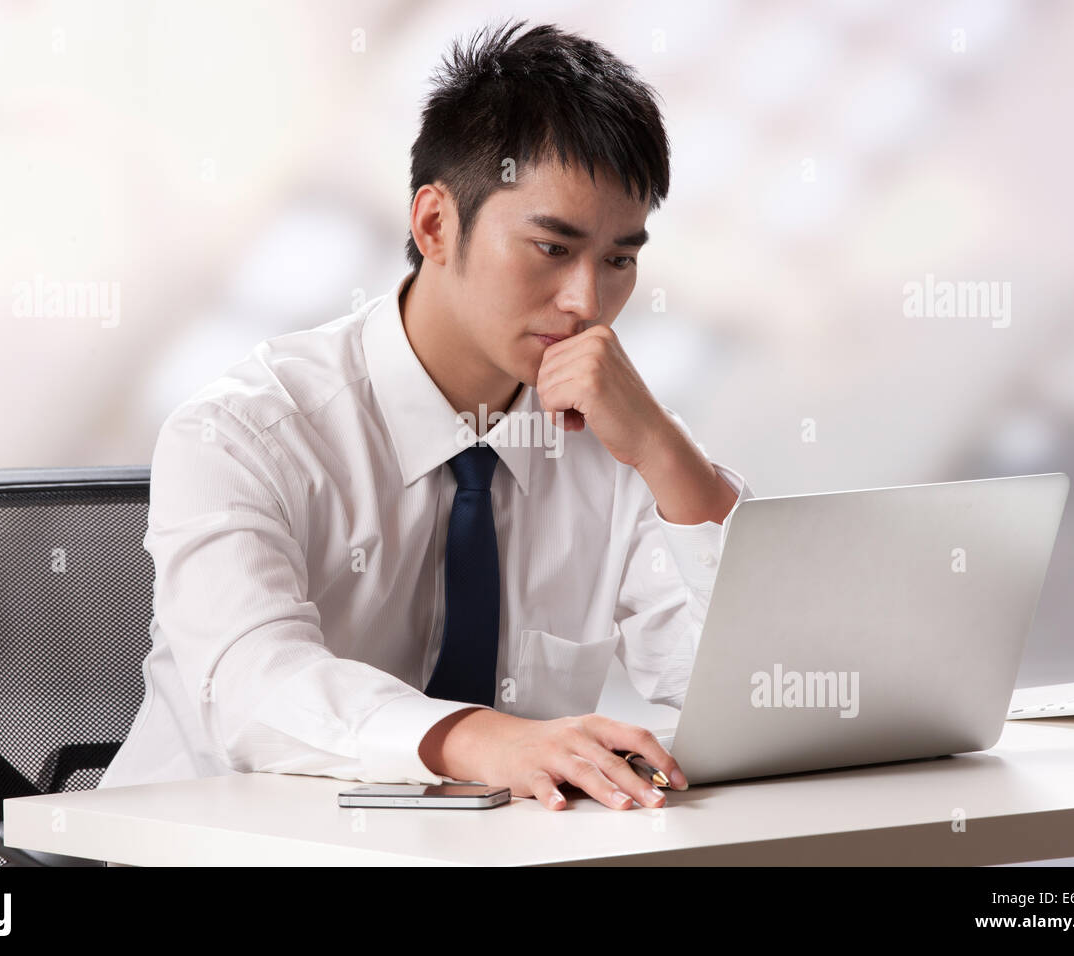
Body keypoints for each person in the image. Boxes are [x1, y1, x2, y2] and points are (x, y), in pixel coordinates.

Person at [99, 18, 751, 811]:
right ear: (435, 224)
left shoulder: (615, 441)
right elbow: (252, 686)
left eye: (619, 259)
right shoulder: (243, 433)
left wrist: (666, 454)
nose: (587, 303)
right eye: (552, 248)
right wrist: (486, 738)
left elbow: (749, 698)